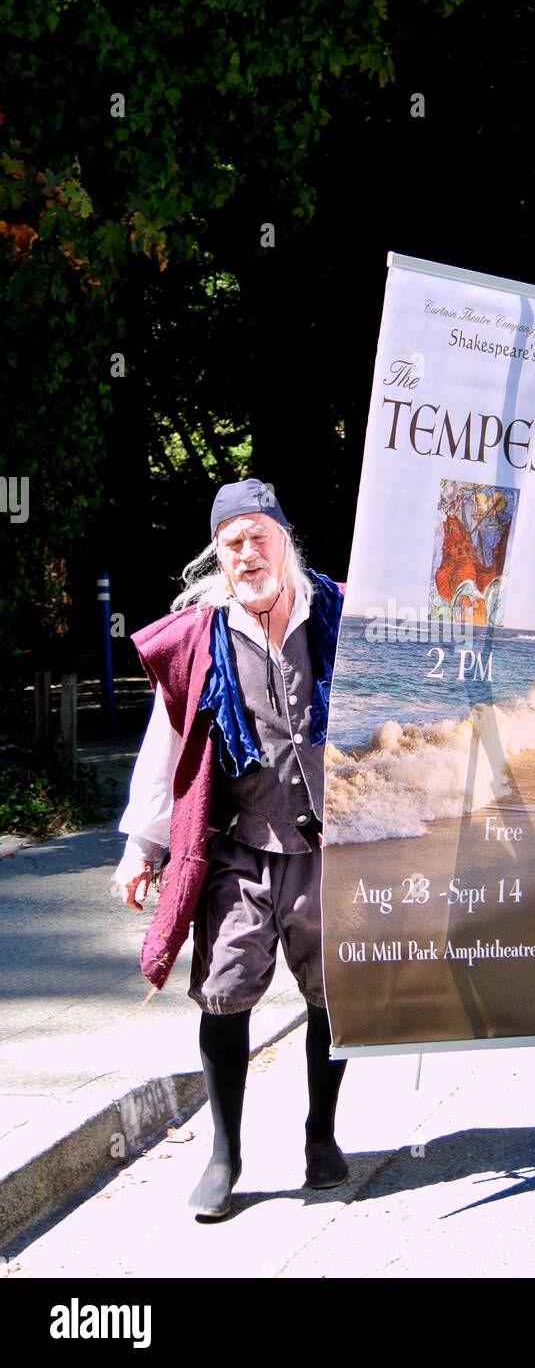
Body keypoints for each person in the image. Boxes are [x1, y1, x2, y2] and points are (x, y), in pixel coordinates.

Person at [113, 478, 346, 1217]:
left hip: (328, 843)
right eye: (233, 541)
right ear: (219, 553)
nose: (249, 553)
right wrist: (141, 846)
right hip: (240, 845)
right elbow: (168, 749)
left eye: (259, 536)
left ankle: (320, 1137)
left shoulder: (336, 612)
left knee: (333, 997)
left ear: (285, 539)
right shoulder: (199, 635)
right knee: (224, 996)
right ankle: (225, 1152)